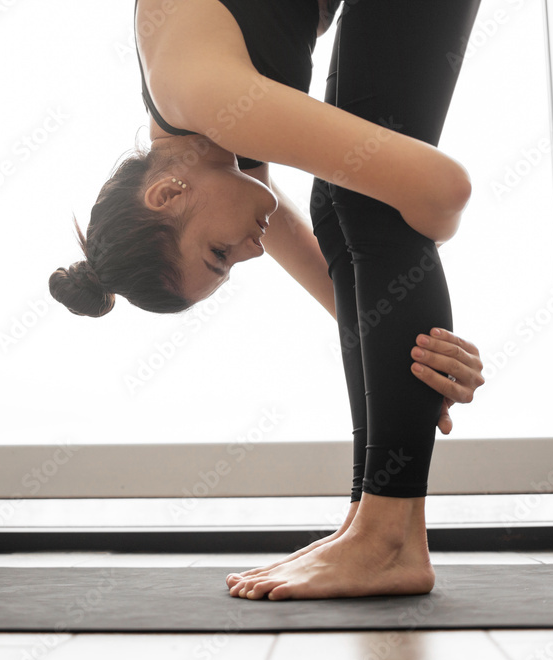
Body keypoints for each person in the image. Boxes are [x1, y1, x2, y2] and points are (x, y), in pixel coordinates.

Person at [49, 0, 485, 600]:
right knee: (345, 209)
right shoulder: (206, 129)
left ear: (168, 194)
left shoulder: (204, 94)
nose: (248, 255)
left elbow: (444, 187)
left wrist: (404, 283)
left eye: (217, 255)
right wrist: (405, 376)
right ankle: (371, 526)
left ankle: (390, 538)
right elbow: (350, 292)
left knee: (372, 204)